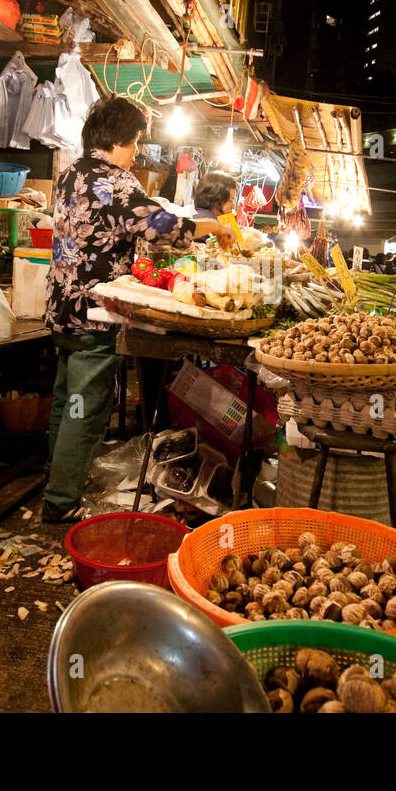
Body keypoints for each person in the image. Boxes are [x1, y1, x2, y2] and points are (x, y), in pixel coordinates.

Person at [43, 97, 235, 523]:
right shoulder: (117, 180)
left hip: (60, 304)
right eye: (134, 143)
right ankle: (61, 502)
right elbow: (161, 225)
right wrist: (216, 226)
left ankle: (55, 481)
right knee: (86, 407)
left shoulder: (69, 174)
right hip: (94, 311)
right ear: (117, 140)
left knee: (65, 400)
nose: (135, 152)